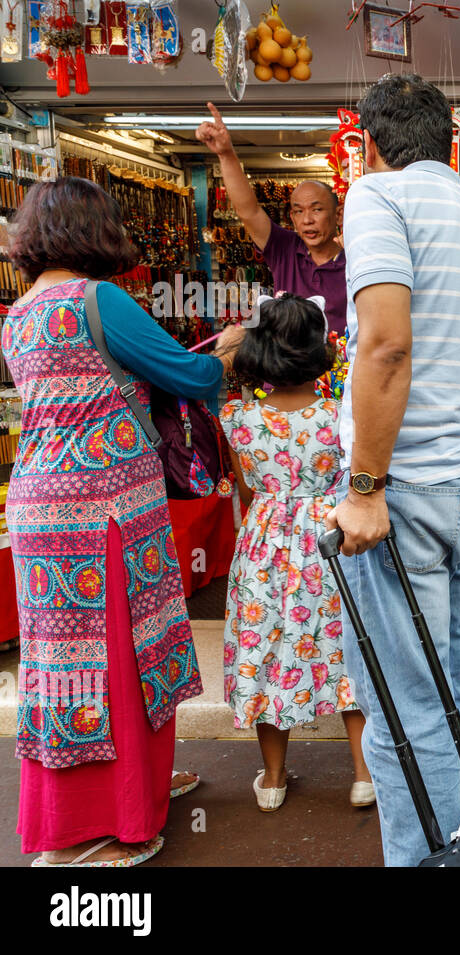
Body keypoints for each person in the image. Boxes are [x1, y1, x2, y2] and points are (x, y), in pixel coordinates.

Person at [5, 177, 244, 865]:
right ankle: (119, 818)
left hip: (40, 506)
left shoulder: (20, 314)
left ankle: (77, 813)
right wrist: (227, 346)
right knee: (127, 652)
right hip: (108, 507)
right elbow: (189, 377)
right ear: (96, 231)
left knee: (63, 665)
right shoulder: (97, 299)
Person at [325, 74, 460, 866]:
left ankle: (429, 860)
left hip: (406, 489)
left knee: (407, 707)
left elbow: (386, 344)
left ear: (370, 144)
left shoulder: (378, 197)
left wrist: (366, 487)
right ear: (452, 144)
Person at [219, 293, 374, 812]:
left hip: (265, 541)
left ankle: (274, 777)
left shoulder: (239, 420)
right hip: (332, 539)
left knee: (264, 646)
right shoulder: (340, 416)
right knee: (346, 645)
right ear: (319, 352)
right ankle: (362, 776)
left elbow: (246, 489)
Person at [196, 102, 349, 334]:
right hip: (289, 367)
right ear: (292, 217)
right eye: (299, 211)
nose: (307, 219)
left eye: (317, 210)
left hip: (342, 367)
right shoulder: (284, 248)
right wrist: (225, 154)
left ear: (338, 214)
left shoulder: (356, 259)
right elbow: (248, 211)